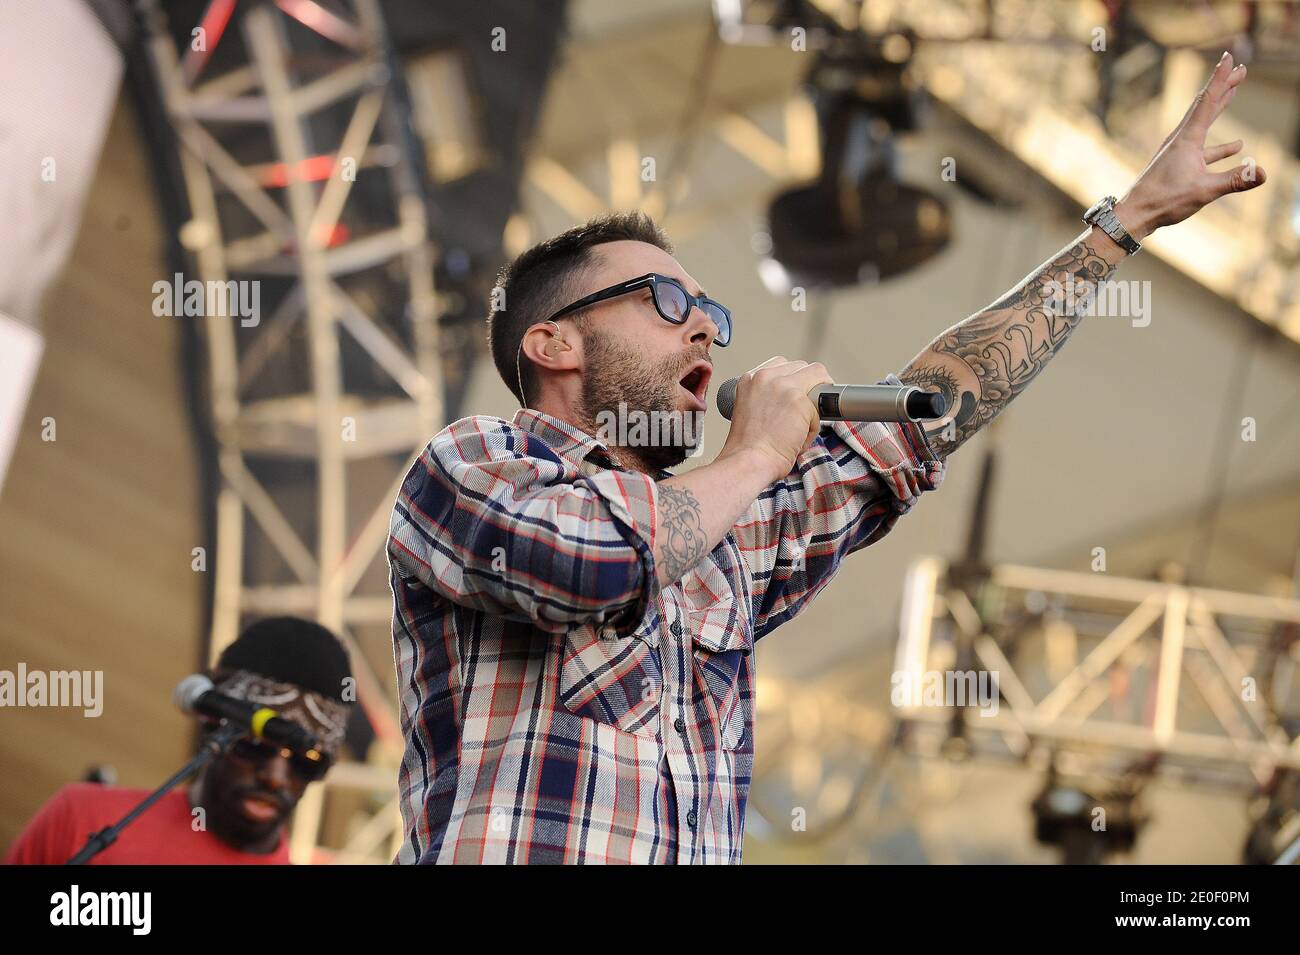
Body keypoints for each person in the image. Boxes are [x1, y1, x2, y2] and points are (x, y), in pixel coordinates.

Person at [387, 54, 1264, 863]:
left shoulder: (730, 542)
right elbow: (591, 560)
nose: (703, 327)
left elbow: (937, 406)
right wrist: (762, 448)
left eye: (712, 315)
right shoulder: (473, 463)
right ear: (552, 342)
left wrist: (1124, 224)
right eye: (663, 300)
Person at [4, 617, 353, 864]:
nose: (275, 776)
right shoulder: (81, 818)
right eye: (254, 743)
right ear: (212, 725)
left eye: (306, 761)